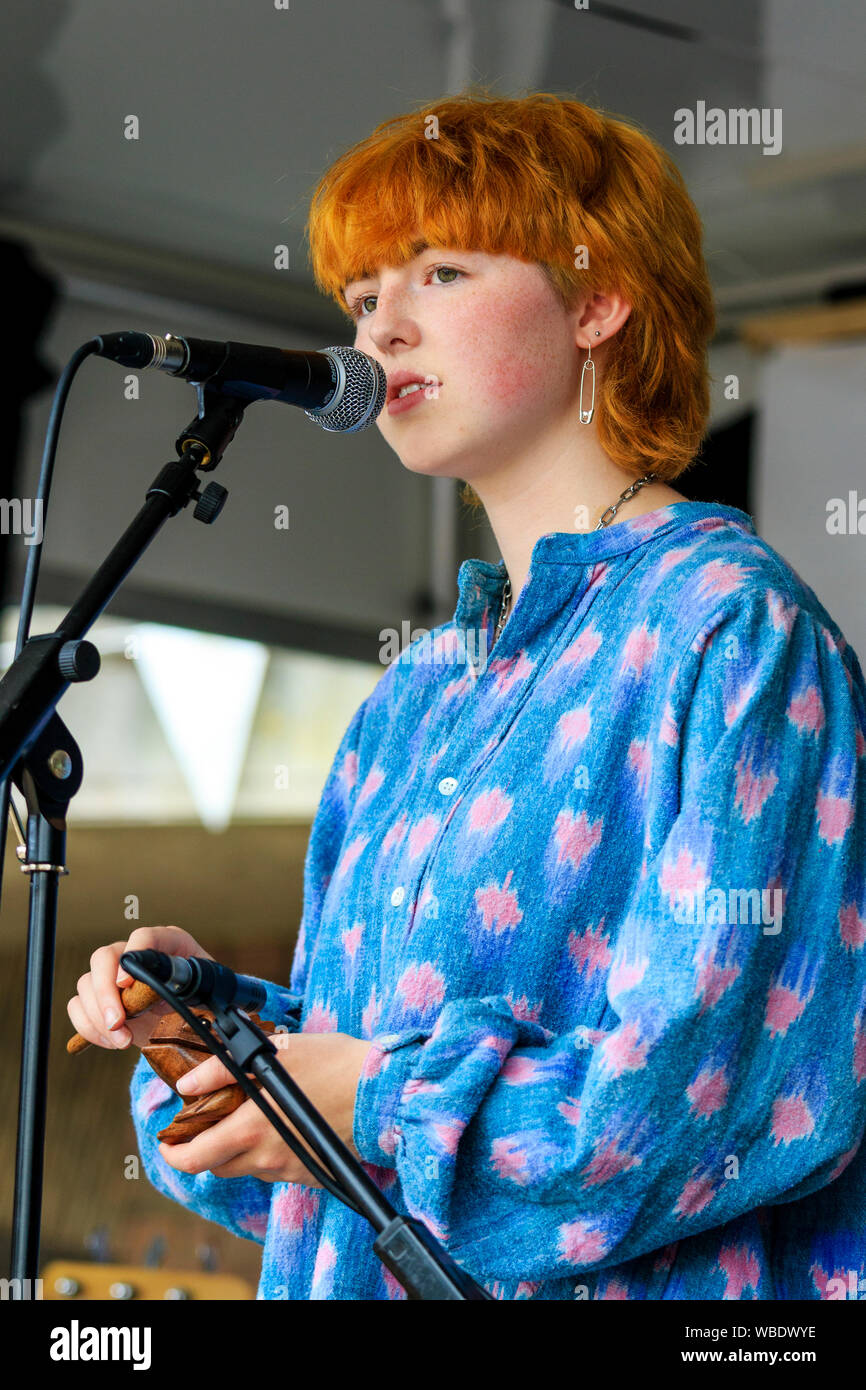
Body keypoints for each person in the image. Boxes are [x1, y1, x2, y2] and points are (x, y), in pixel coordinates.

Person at [69, 90, 866, 1301]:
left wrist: (366, 1098)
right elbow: (314, 1180)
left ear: (595, 301)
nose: (380, 329)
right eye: (359, 297)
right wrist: (214, 1037)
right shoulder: (416, 693)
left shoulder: (729, 630)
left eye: (438, 272)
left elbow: (720, 1108)